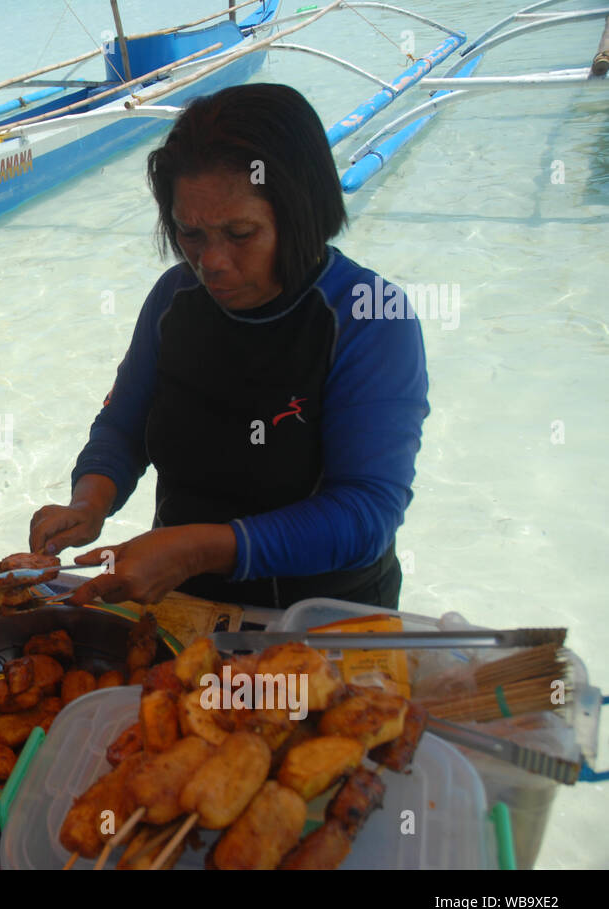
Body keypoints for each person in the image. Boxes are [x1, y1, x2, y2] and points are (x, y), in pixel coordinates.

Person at [29, 83, 429, 611]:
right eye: (189, 233)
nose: (210, 262)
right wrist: (90, 500)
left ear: (301, 216)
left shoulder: (370, 316)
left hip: (322, 616)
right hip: (183, 604)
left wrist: (198, 550)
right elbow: (124, 425)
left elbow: (366, 514)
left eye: (240, 233)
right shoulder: (174, 298)